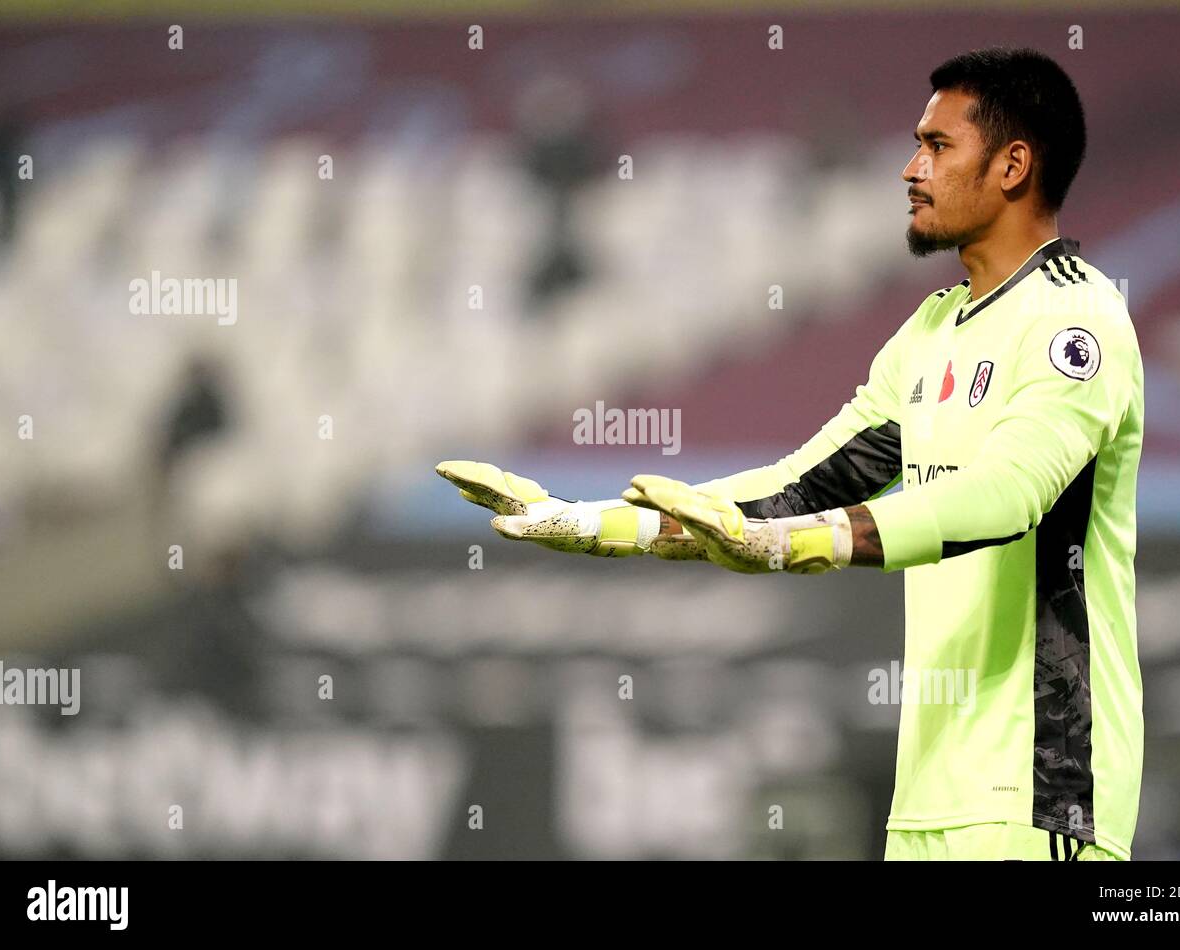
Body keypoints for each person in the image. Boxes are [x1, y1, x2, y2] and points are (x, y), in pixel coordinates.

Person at [438, 47, 1143, 862]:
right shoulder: (928, 335)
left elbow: (1006, 496)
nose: (911, 168)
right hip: (925, 798)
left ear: (1014, 165)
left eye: (938, 146)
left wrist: (816, 543)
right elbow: (796, 489)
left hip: (1043, 788)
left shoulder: (1075, 320)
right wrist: (594, 523)